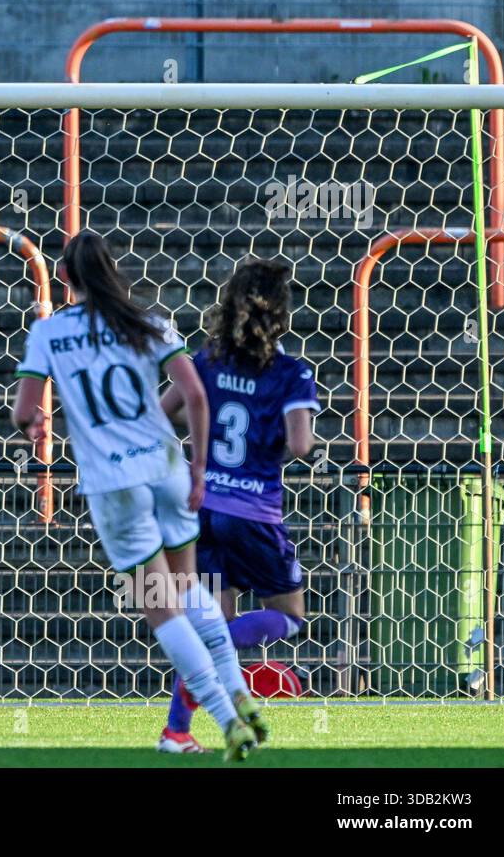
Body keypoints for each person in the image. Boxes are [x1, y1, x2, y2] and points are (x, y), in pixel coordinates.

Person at [11, 230, 264, 761]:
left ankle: (223, 719)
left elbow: (23, 411)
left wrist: (35, 423)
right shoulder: (150, 323)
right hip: (168, 465)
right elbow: (194, 393)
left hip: (113, 482)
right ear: (114, 270)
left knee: (160, 607)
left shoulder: (49, 332)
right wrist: (197, 466)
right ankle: (239, 691)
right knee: (190, 585)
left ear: (63, 278)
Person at [157, 258, 317, 752]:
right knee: (288, 615)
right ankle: (185, 721)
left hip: (200, 508)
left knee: (210, 625)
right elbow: (300, 444)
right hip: (254, 512)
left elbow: (165, 413)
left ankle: (177, 733)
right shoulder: (291, 372)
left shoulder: (206, 362)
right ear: (281, 313)